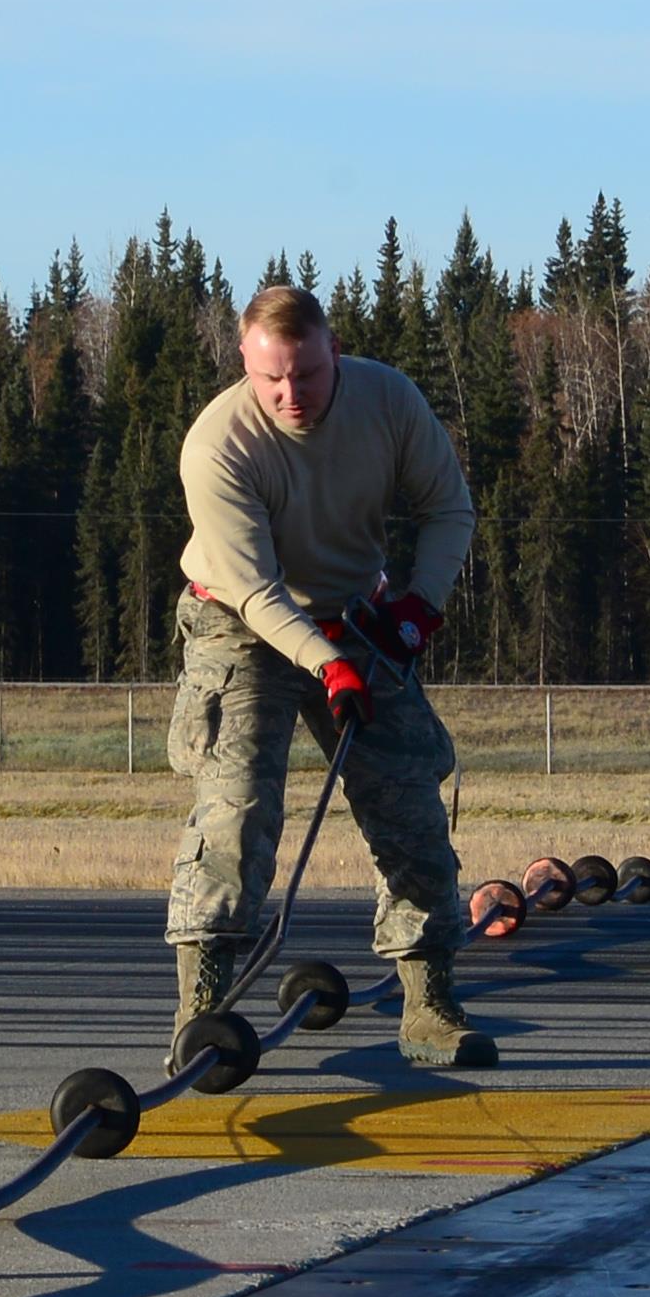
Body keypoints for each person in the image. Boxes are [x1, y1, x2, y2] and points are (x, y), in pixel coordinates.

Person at [168, 279, 483, 1066]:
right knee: (237, 804)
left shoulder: (389, 402)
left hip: (354, 612)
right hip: (240, 622)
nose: (289, 393)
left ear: (334, 352)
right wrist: (327, 664)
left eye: (305, 374)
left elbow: (448, 509)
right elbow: (254, 588)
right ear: (244, 359)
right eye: (270, 377)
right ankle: (202, 1002)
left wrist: (419, 607)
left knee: (409, 795)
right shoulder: (217, 444)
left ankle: (429, 1004)